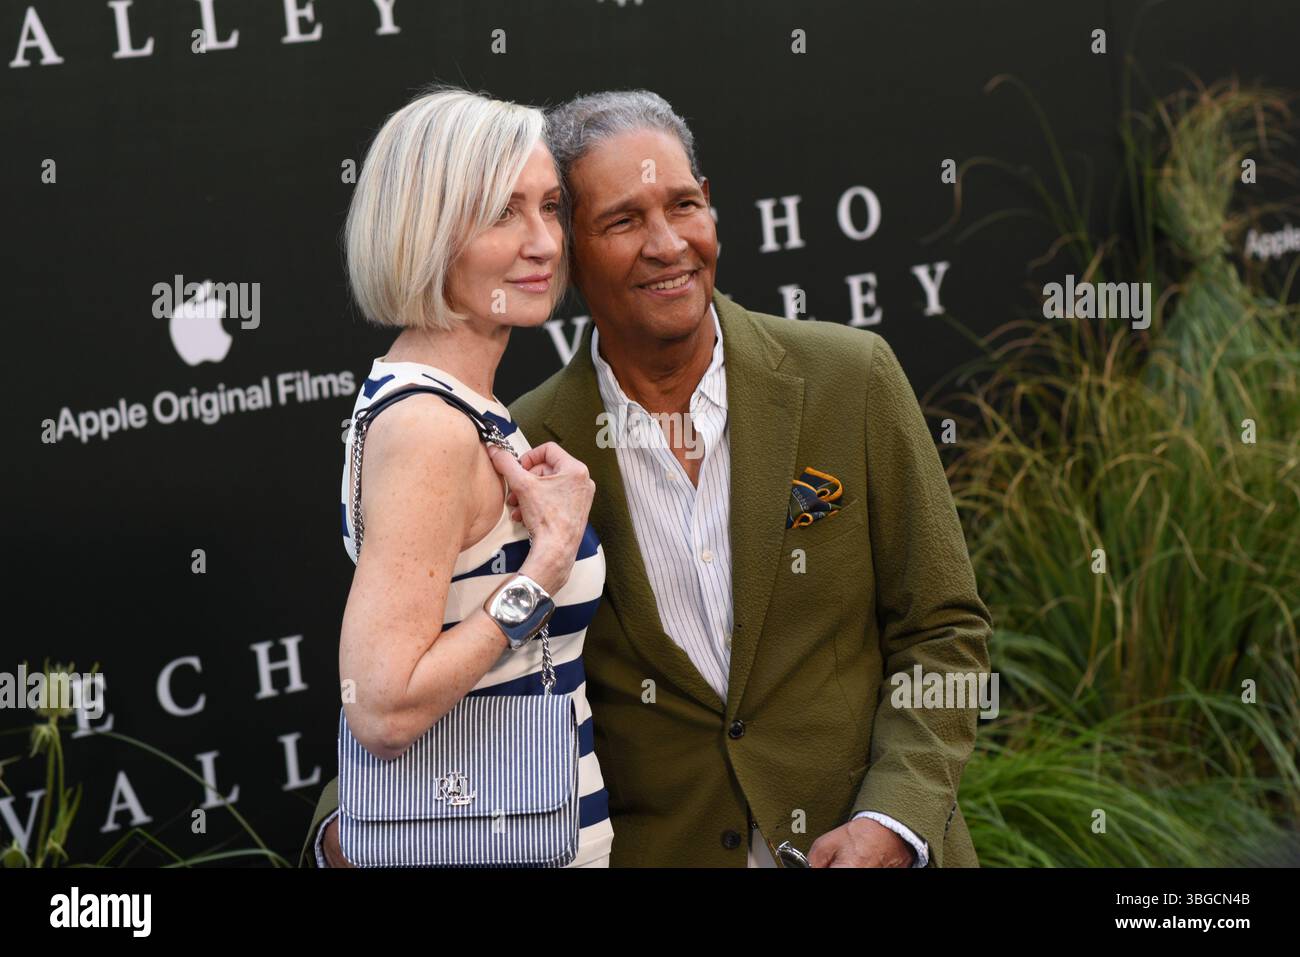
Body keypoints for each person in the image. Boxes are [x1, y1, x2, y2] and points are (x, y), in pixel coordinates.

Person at [307, 89, 992, 868]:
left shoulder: (850, 377)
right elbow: (425, 664)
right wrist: (347, 824)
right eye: (623, 220)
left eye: (685, 205)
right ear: (573, 251)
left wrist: (896, 818)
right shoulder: (529, 445)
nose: (668, 244)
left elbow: (943, 630)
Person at [305, 84, 614, 867]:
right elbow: (383, 707)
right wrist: (546, 565)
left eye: (550, 207)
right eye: (503, 212)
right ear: (428, 231)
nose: (544, 241)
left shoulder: (458, 406)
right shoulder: (428, 427)